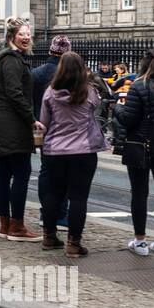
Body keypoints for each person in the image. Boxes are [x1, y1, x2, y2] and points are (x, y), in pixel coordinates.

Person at [38, 51, 108, 256]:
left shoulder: (50, 92)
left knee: (54, 193)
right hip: (83, 151)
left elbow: (44, 121)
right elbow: (95, 110)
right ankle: (73, 243)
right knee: (78, 198)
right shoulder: (88, 91)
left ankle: (49, 237)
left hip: (55, 149)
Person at [114, 48, 154, 256]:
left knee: (139, 193)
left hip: (140, 145)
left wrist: (117, 108)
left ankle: (140, 241)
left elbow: (129, 119)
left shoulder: (138, 85)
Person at [0, 18, 41, 241]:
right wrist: (32, 119)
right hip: (11, 123)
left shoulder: (9, 58)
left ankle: (6, 225)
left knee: (4, 173)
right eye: (22, 34)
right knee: (21, 173)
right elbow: (14, 92)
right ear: (12, 37)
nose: (26, 37)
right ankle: (16, 227)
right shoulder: (11, 59)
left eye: (28, 34)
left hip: (4, 121)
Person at [31, 35, 72, 233]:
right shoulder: (70, 75)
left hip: (42, 128)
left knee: (46, 171)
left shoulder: (37, 73)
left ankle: (44, 212)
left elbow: (30, 101)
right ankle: (61, 215)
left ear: (50, 50)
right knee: (65, 174)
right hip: (65, 131)